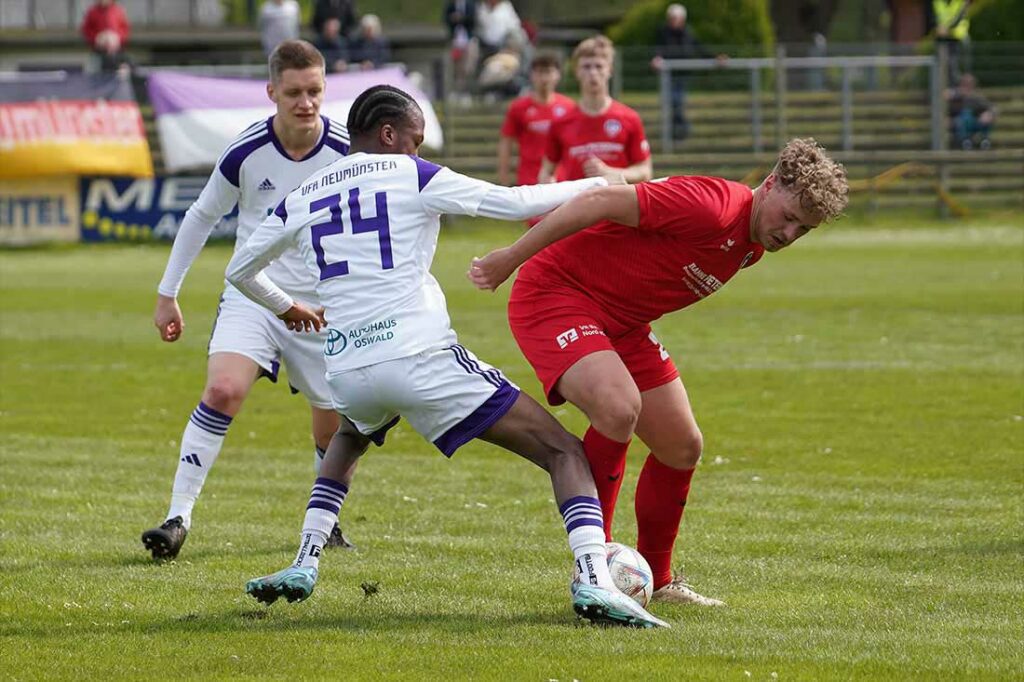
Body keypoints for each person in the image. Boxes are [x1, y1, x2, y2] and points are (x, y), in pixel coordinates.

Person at [225, 84, 667, 629]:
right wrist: (604, 184)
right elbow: (514, 203)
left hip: (346, 366)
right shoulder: (410, 173)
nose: (419, 150)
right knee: (563, 451)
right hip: (417, 357)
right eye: (416, 140)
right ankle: (595, 579)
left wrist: (288, 306)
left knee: (350, 435)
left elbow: (239, 269)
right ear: (389, 134)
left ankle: (305, 561)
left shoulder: (305, 191)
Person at [469, 138, 849, 606]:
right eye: (788, 217)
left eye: (803, 229)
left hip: (623, 323)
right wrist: (511, 257)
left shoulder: (750, 246)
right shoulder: (713, 207)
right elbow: (597, 201)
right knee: (618, 408)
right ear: (770, 184)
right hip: (556, 294)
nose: (789, 234)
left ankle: (660, 579)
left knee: (681, 445)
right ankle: (594, 568)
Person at [141, 40, 353, 561]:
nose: (306, 102)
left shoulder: (350, 151)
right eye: (294, 92)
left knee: (332, 421)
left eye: (314, 91)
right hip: (253, 295)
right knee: (223, 390)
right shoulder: (246, 151)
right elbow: (201, 216)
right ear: (271, 91)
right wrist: (168, 294)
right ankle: (177, 518)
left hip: (323, 307)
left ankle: (327, 522)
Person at [539, 36, 652, 185]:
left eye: (598, 66)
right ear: (577, 71)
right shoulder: (561, 122)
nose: (593, 73)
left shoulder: (629, 118)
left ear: (609, 70)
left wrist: (612, 173)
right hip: (577, 200)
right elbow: (546, 172)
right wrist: (550, 187)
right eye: (586, 67)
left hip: (616, 200)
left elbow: (645, 171)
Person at [498, 53, 575, 187]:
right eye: (539, 72)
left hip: (562, 181)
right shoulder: (518, 107)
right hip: (529, 181)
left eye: (548, 72)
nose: (544, 78)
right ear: (532, 75)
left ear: (558, 75)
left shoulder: (569, 107)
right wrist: (504, 179)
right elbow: (506, 143)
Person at [650, 4, 724, 141]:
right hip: (669, 75)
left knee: (677, 102)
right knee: (674, 103)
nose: (672, 21)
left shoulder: (688, 33)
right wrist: (656, 58)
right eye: (671, 18)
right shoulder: (663, 32)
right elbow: (658, 50)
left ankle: (680, 132)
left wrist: (714, 57)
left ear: (682, 19)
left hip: (683, 75)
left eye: (675, 18)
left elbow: (699, 48)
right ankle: (678, 132)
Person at [80, 0, 130, 73]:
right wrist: (97, 38)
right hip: (99, 51)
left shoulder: (118, 11)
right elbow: (86, 30)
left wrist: (117, 38)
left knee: (126, 63)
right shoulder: (92, 12)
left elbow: (125, 29)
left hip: (116, 51)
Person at [948, 73, 995, 150]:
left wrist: (988, 114)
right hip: (959, 125)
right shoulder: (954, 97)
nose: (967, 86)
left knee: (986, 118)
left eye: (969, 84)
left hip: (974, 123)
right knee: (965, 116)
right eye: (965, 84)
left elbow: (992, 107)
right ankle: (966, 142)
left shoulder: (977, 97)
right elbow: (946, 111)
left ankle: (984, 141)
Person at [932, 0, 971, 82]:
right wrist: (937, 28)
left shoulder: (960, 2)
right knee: (944, 67)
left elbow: (960, 16)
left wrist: (946, 28)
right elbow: (934, 18)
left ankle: (960, 84)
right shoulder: (938, 2)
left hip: (959, 37)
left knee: (957, 66)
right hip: (943, 39)